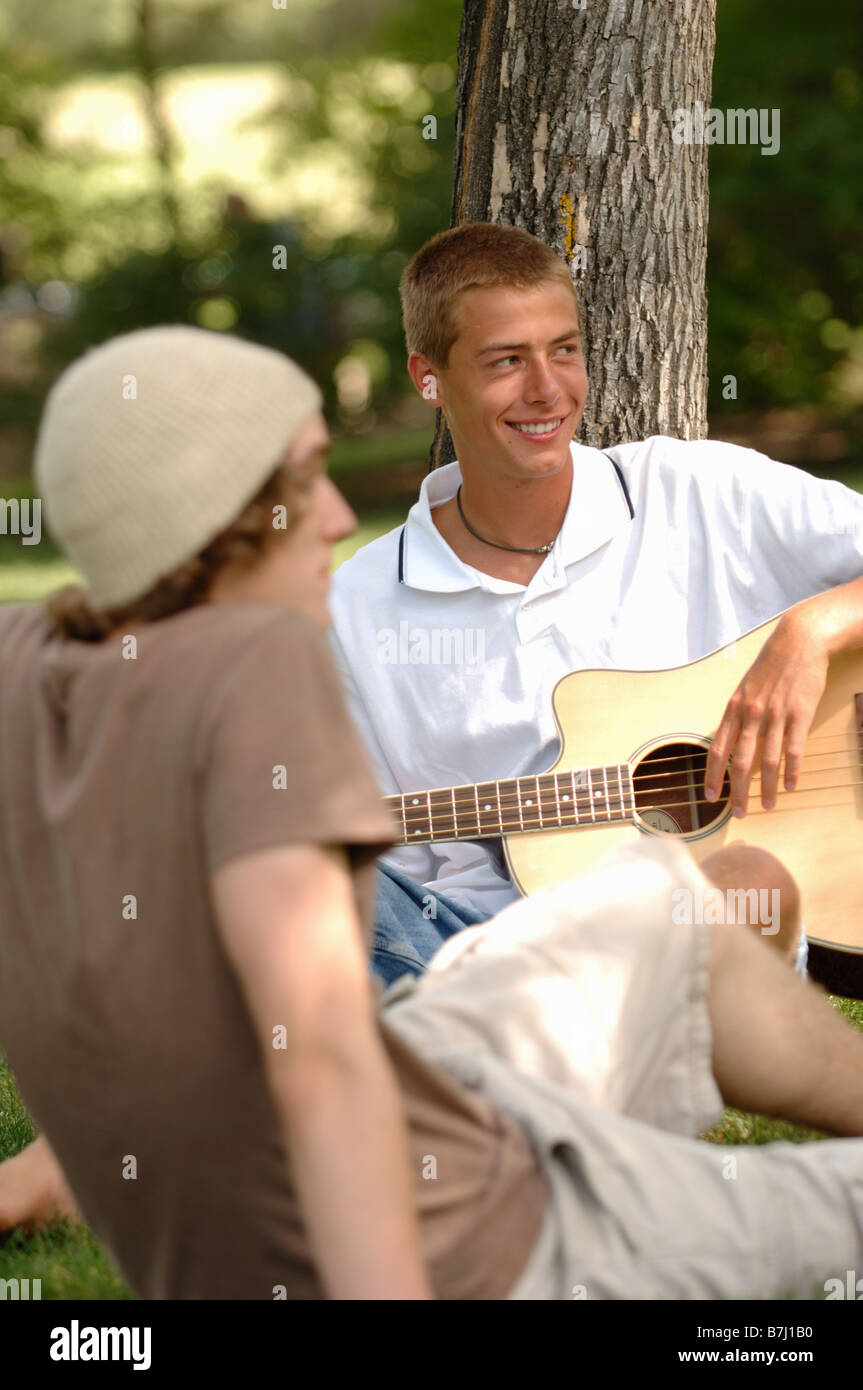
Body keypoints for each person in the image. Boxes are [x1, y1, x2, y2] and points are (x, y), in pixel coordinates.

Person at [5, 325, 863, 1301]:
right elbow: (324, 1062)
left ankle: (41, 1177)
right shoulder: (259, 672)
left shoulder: (34, 663)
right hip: (505, 1218)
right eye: (303, 481)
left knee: (703, 895)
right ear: (215, 515)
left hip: (446, 1063)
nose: (336, 516)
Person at [328, 222, 863, 988]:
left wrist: (810, 633)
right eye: (506, 361)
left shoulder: (694, 492)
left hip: (722, 909)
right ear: (429, 377)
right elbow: (395, 871)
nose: (547, 390)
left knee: (734, 882)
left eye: (564, 350)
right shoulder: (356, 608)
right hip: (496, 944)